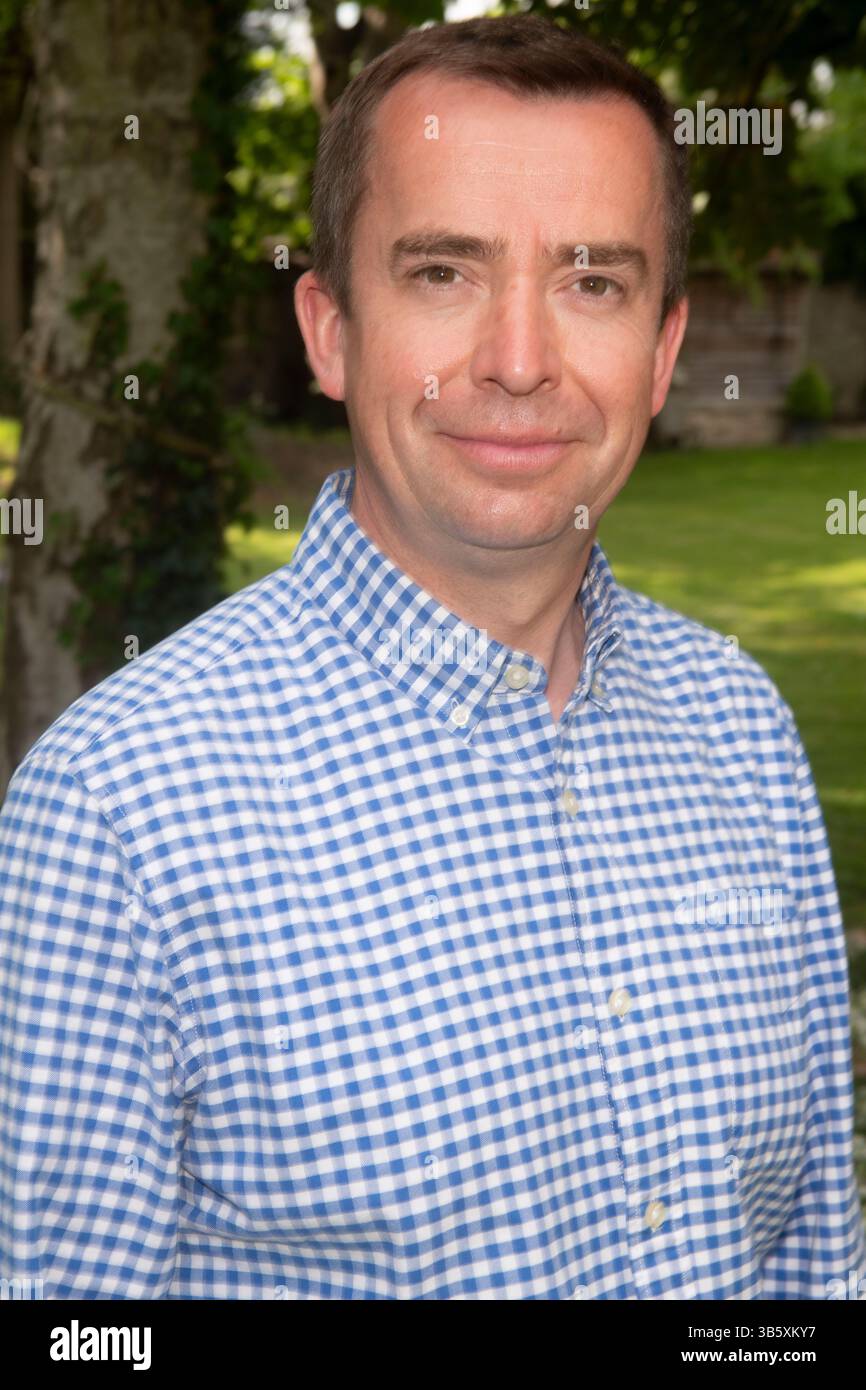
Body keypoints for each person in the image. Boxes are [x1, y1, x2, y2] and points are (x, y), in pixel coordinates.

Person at [1, 13, 864, 1301]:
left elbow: (810, 1271)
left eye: (593, 282)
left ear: (666, 351)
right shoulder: (116, 819)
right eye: (444, 273)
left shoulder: (739, 724)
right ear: (331, 330)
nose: (520, 363)